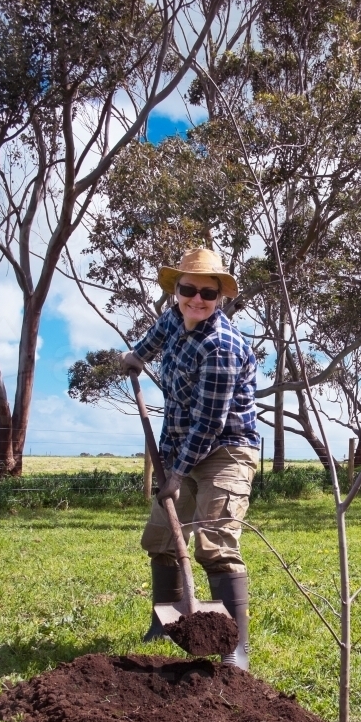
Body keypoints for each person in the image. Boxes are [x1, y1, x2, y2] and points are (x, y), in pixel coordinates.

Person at [121, 248, 260, 669]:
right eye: (188, 289)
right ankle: (164, 623)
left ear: (221, 298)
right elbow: (155, 337)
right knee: (162, 537)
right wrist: (137, 356)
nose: (197, 299)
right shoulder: (173, 317)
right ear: (176, 291)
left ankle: (235, 648)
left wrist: (177, 472)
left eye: (208, 293)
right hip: (180, 445)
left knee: (215, 543)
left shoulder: (222, 346)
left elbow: (209, 423)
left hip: (226, 449)